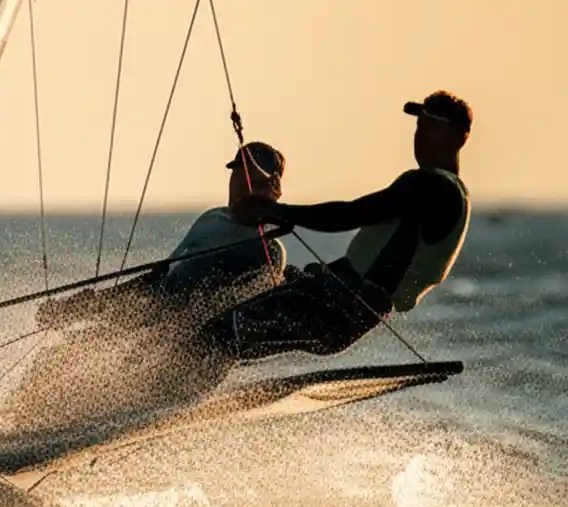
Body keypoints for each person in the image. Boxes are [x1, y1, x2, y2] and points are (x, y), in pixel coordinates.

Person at [210, 91, 472, 360]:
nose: (418, 136)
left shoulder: (431, 187)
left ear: (457, 137)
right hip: (346, 307)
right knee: (249, 300)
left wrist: (275, 211)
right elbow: (378, 257)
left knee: (219, 334)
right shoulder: (458, 195)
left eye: (429, 127)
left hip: (336, 305)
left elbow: (350, 215)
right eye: (418, 126)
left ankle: (172, 382)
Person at [36, 141, 289, 329]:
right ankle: (73, 311)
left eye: (249, 177)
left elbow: (255, 298)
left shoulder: (270, 250)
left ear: (273, 187)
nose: (237, 182)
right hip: (152, 308)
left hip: (187, 329)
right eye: (236, 173)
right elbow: (161, 273)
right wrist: (81, 306)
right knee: (67, 353)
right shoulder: (212, 219)